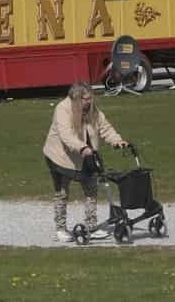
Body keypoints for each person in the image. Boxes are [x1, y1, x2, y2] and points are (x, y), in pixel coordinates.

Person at [41, 81, 130, 242]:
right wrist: (82, 148)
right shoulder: (62, 109)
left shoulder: (92, 110)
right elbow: (66, 135)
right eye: (85, 99)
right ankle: (60, 229)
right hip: (60, 157)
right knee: (62, 193)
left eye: (90, 98)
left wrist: (117, 141)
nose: (88, 102)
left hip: (87, 155)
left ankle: (92, 226)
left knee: (91, 189)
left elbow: (105, 127)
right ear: (76, 98)